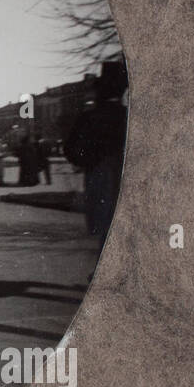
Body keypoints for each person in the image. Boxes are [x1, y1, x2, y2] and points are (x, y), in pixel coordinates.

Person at [64, 61, 129, 249]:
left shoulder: (90, 117)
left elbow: (71, 150)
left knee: (105, 226)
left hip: (100, 177)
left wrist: (89, 161)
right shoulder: (130, 117)